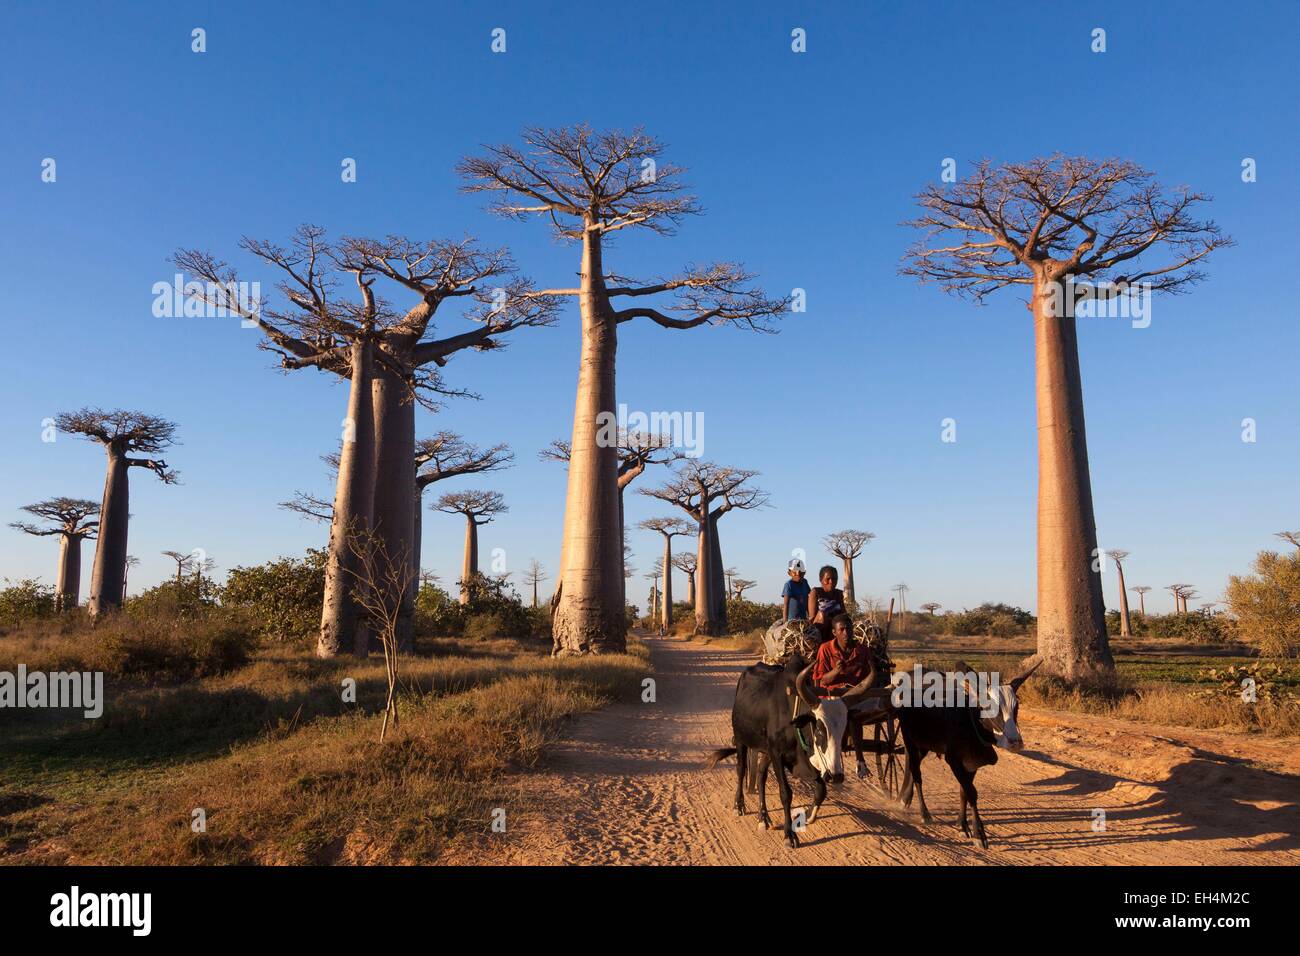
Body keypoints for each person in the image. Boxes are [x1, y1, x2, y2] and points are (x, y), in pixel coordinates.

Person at [812, 613, 872, 694]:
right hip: (832, 696)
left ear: (852, 629)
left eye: (848, 629)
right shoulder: (825, 649)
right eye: (841, 629)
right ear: (834, 632)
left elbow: (868, 678)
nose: (846, 633)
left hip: (855, 695)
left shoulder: (863, 650)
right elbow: (821, 681)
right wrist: (836, 671)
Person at [808, 565, 846, 644]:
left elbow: (843, 614)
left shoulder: (839, 594)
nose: (831, 582)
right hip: (819, 629)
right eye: (827, 579)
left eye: (834, 579)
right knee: (823, 613)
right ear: (821, 579)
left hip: (835, 629)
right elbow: (812, 618)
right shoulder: (816, 592)